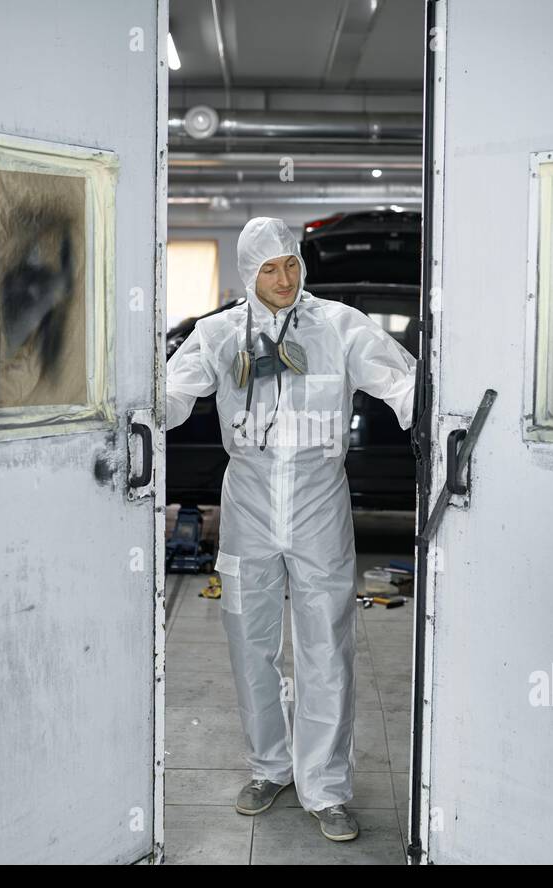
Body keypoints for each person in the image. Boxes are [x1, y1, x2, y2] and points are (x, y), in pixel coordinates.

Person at [165, 216, 416, 842]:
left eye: (292, 265)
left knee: (325, 646)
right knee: (250, 642)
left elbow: (403, 380)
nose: (284, 279)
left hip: (318, 503)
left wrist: (439, 426)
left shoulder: (338, 327)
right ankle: (270, 766)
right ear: (250, 274)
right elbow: (166, 395)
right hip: (247, 499)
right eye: (269, 269)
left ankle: (326, 788)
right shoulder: (219, 333)